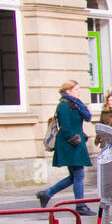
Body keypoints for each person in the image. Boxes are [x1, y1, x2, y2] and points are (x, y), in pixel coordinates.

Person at [37, 80, 95, 215]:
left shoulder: (76, 104)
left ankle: (46, 193)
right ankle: (80, 205)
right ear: (68, 91)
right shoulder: (63, 105)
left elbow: (87, 117)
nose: (78, 92)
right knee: (79, 175)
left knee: (75, 176)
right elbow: (66, 127)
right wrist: (74, 139)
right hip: (70, 144)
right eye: (76, 89)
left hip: (76, 143)